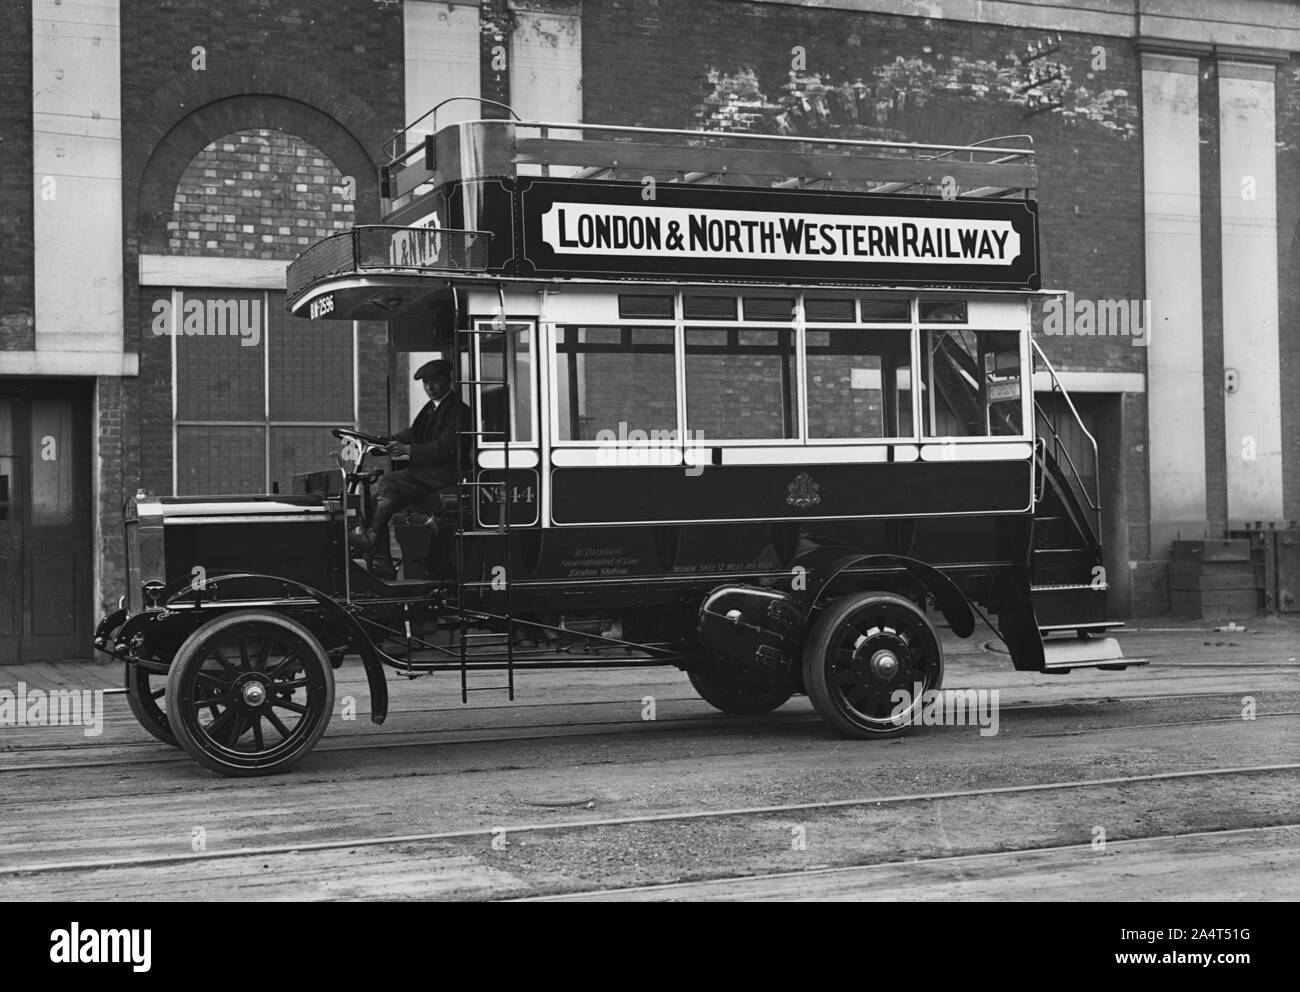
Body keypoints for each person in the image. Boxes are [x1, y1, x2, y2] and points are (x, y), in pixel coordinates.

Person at [350, 358, 470, 574]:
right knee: (372, 496)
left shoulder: (458, 410)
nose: (429, 388)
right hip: (425, 474)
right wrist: (382, 442)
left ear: (448, 380)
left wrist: (409, 450)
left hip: (444, 474)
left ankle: (371, 538)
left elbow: (446, 448)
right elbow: (412, 433)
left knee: (389, 481)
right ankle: (381, 561)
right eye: (425, 383)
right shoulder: (430, 409)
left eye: (434, 382)